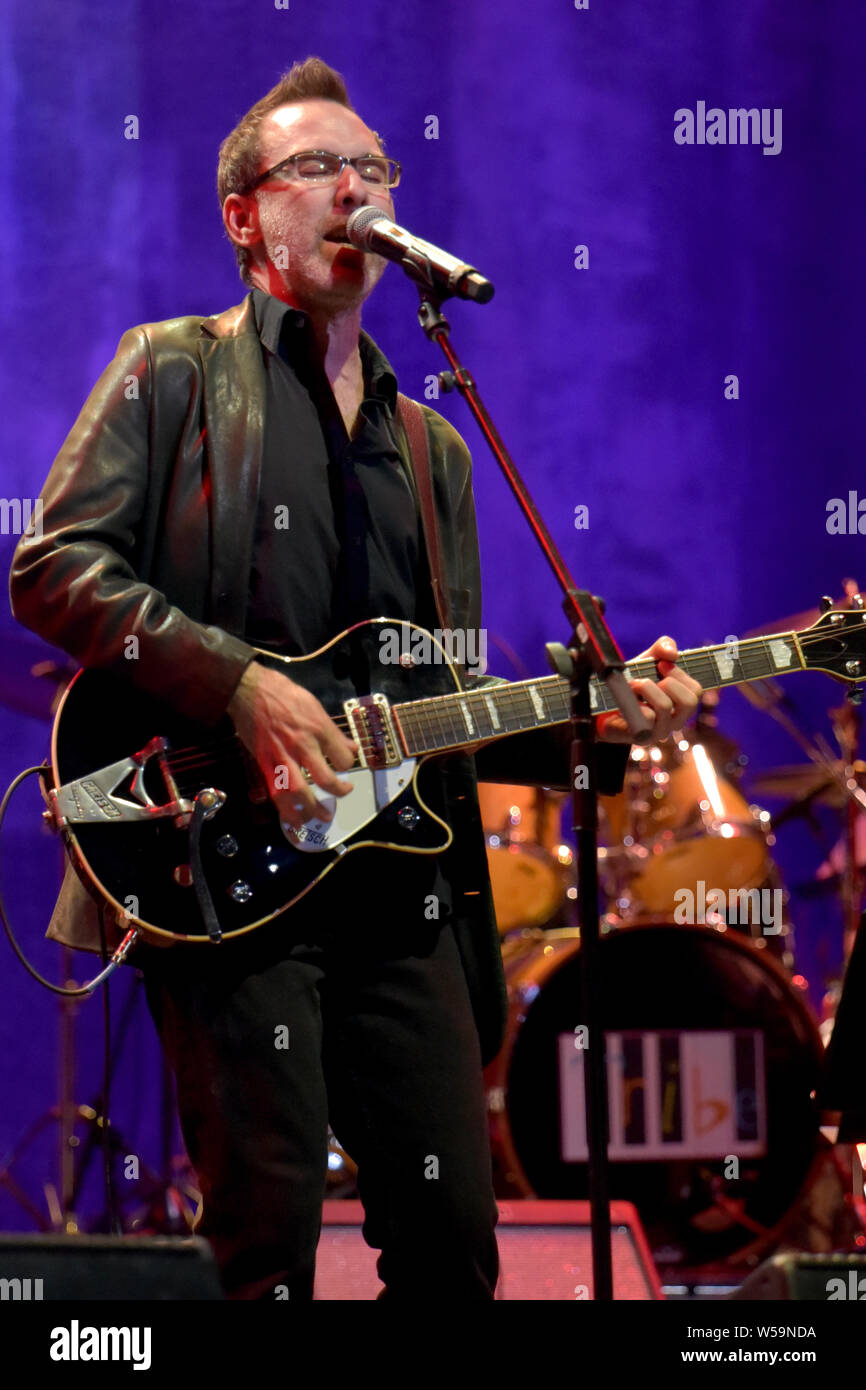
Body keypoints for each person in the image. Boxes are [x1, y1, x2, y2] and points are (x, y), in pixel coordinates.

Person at [9, 57, 702, 1300]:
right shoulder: (171, 372)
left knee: (451, 1254)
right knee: (266, 1247)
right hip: (221, 859)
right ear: (244, 216)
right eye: (317, 168)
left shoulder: (428, 441)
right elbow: (54, 566)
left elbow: (439, 696)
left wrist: (597, 723)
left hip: (401, 892)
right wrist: (236, 686)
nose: (353, 190)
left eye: (372, 169)